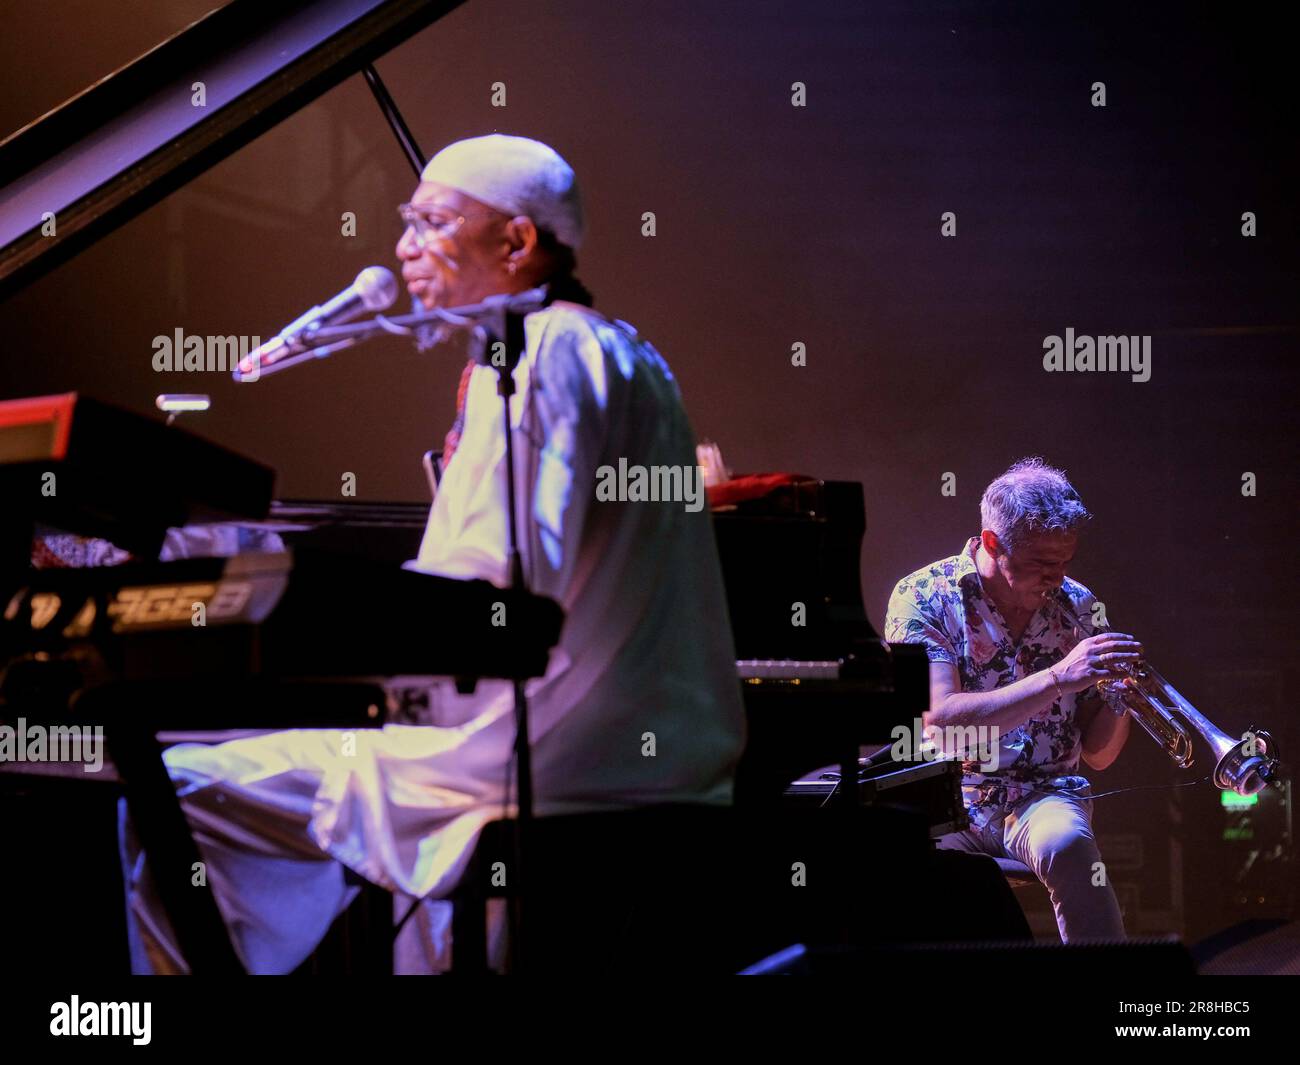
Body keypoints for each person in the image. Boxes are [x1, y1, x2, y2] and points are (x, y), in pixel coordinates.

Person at [121, 134, 746, 973]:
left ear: (517, 243)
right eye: (405, 224)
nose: (405, 248)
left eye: (432, 222)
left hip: (528, 761)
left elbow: (496, 595)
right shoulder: (623, 352)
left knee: (180, 789)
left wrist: (314, 643)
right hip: (641, 754)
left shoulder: (538, 355)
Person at [883, 457, 1137, 941]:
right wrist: (1059, 677)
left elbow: (1099, 756)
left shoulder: (1079, 604)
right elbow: (942, 726)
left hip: (1043, 795)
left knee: (1070, 848)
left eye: (1065, 560)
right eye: (1042, 563)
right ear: (993, 543)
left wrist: (1119, 699)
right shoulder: (923, 597)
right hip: (946, 795)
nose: (1058, 577)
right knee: (881, 867)